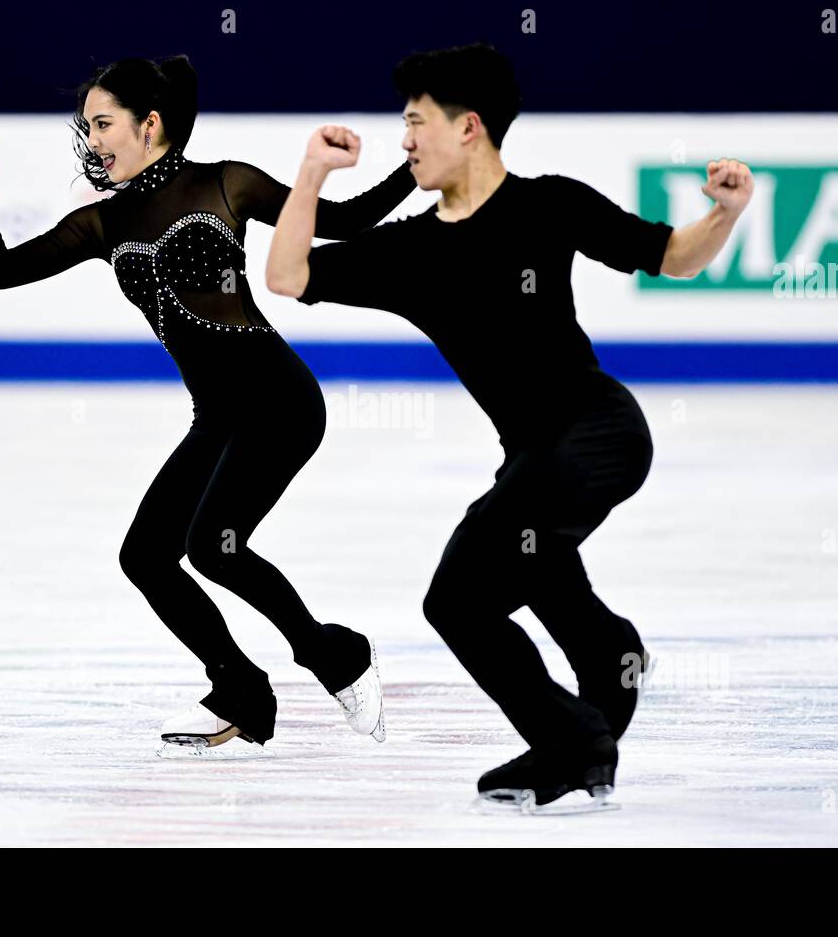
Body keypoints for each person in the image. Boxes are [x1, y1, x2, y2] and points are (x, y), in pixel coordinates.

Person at [266, 43, 752, 806]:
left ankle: (571, 738)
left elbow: (672, 256)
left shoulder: (551, 204)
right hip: (534, 457)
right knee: (533, 563)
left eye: (416, 122)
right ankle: (608, 654)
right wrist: (312, 175)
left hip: (599, 430)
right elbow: (288, 275)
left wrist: (724, 212)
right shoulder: (411, 251)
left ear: (471, 129)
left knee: (458, 599)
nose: (404, 141)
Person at [0, 56, 416, 749]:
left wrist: (419, 167)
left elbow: (344, 222)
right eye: (87, 126)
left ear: (152, 124)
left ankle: (338, 659)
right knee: (146, 556)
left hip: (280, 400)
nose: (93, 139)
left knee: (214, 547)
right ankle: (238, 689)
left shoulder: (227, 182)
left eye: (105, 123)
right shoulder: (103, 223)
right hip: (220, 416)